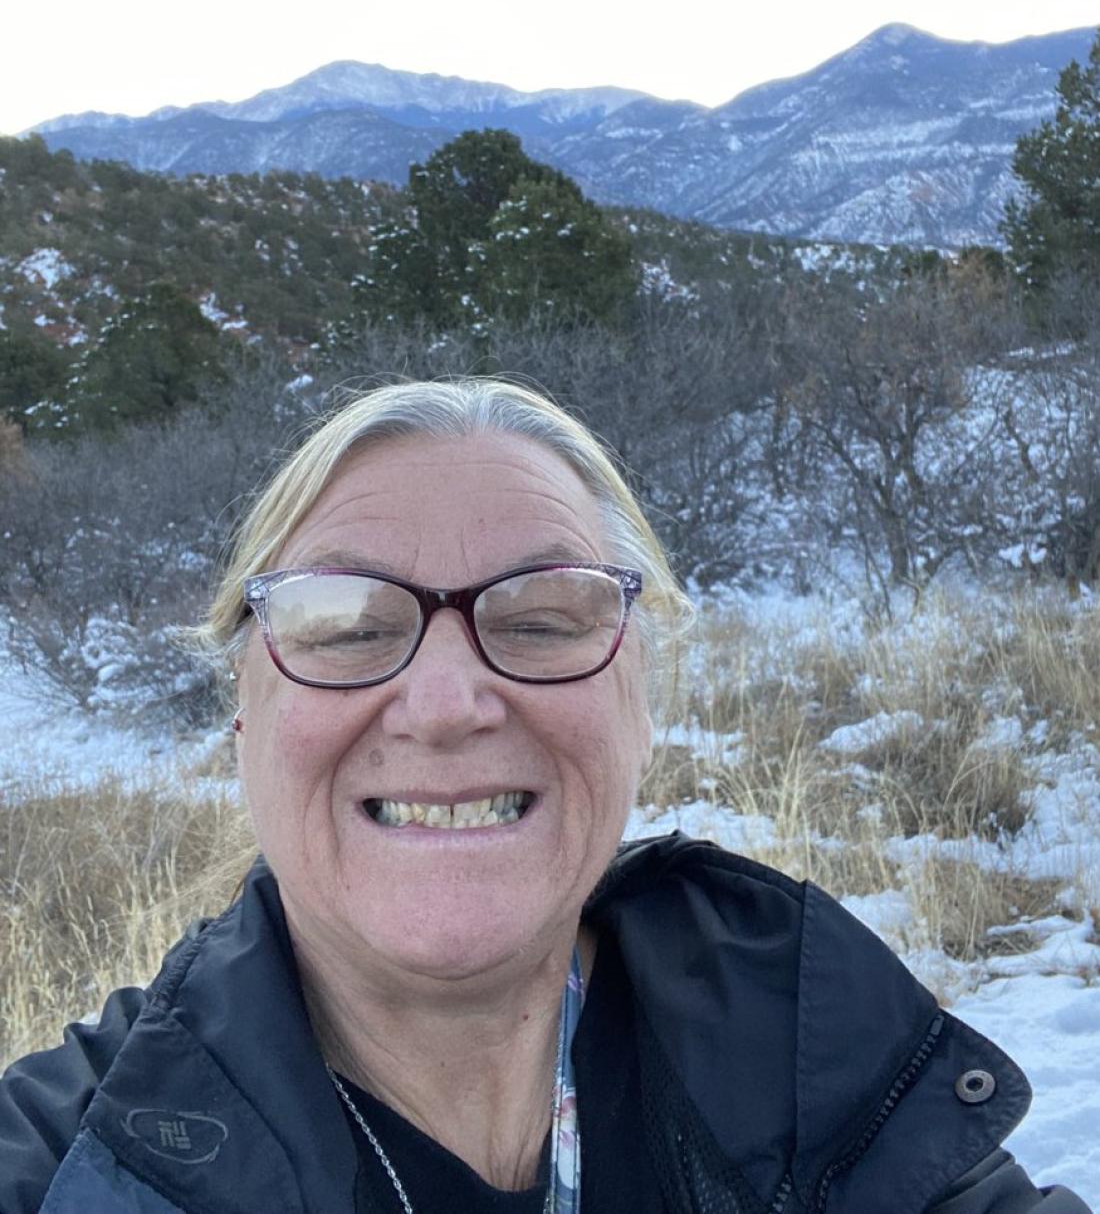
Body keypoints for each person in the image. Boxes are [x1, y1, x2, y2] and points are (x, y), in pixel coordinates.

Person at [0, 377, 1092, 1214]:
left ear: (637, 699)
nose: (442, 702)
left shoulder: (807, 1058)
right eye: (346, 627)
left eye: (539, 619)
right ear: (243, 712)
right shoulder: (73, 1159)